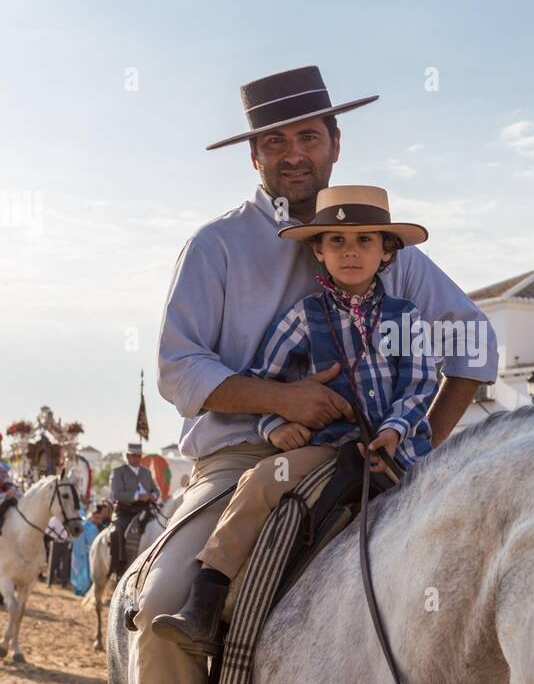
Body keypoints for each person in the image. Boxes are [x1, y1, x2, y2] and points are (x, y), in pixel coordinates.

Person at [125, 65, 497, 684]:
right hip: (240, 465)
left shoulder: (382, 243)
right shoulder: (217, 247)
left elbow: (474, 345)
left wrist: (419, 441)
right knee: (168, 611)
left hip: (376, 464)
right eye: (276, 142)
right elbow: (180, 370)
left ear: (336, 141)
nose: (295, 154)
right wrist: (281, 399)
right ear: (254, 155)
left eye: (309, 137)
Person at [153, 186, 437, 651]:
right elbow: (266, 380)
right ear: (318, 251)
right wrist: (275, 425)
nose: (351, 252)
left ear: (387, 252)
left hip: (402, 451)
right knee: (262, 481)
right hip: (331, 449)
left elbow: (421, 385)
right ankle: (206, 597)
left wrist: (392, 430)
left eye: (366, 240)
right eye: (338, 242)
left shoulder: (406, 318)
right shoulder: (302, 319)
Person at [109, 445, 160, 577]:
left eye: (139, 455)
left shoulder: (146, 472)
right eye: (134, 455)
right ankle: (119, 566)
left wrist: (152, 496)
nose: (137, 458)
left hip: (145, 509)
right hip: (125, 510)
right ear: (128, 456)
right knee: (117, 532)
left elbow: (156, 491)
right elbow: (117, 493)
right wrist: (137, 496)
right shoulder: (118, 472)